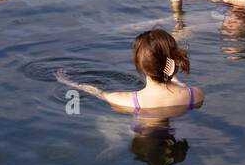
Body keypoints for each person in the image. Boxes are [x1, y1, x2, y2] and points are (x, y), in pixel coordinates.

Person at [55, 29, 205, 117]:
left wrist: (68, 81)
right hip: (176, 130)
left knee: (108, 123)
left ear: (139, 65)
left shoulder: (126, 100)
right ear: (173, 62)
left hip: (143, 134)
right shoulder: (195, 95)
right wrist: (174, 79)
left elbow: (97, 92)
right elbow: (177, 83)